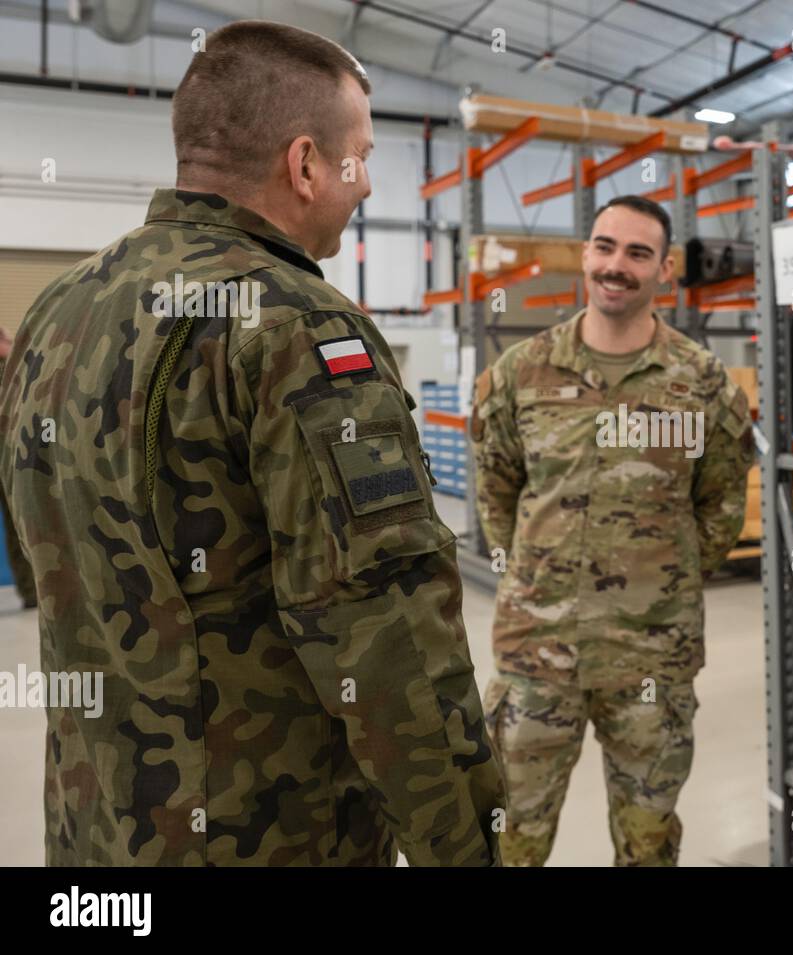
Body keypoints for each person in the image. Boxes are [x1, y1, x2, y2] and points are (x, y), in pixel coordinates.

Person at [0, 20, 503, 866]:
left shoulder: (59, 309)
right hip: (262, 832)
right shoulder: (296, 327)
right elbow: (387, 638)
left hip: (95, 831)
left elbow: (36, 549)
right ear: (305, 164)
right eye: (360, 158)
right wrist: (472, 844)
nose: (368, 184)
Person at [471, 195, 754, 865]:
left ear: (665, 267)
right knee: (510, 839)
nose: (615, 266)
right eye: (604, 247)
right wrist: (541, 577)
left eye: (636, 252)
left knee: (648, 842)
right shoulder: (520, 375)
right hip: (537, 654)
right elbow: (497, 493)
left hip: (652, 659)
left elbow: (719, 507)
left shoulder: (702, 384)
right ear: (586, 257)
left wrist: (664, 581)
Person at [0, 329, 37, 609]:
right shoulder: (12, 363)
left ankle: (30, 591)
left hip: (10, 449)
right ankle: (30, 591)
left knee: (18, 522)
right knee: (19, 520)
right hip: (10, 450)